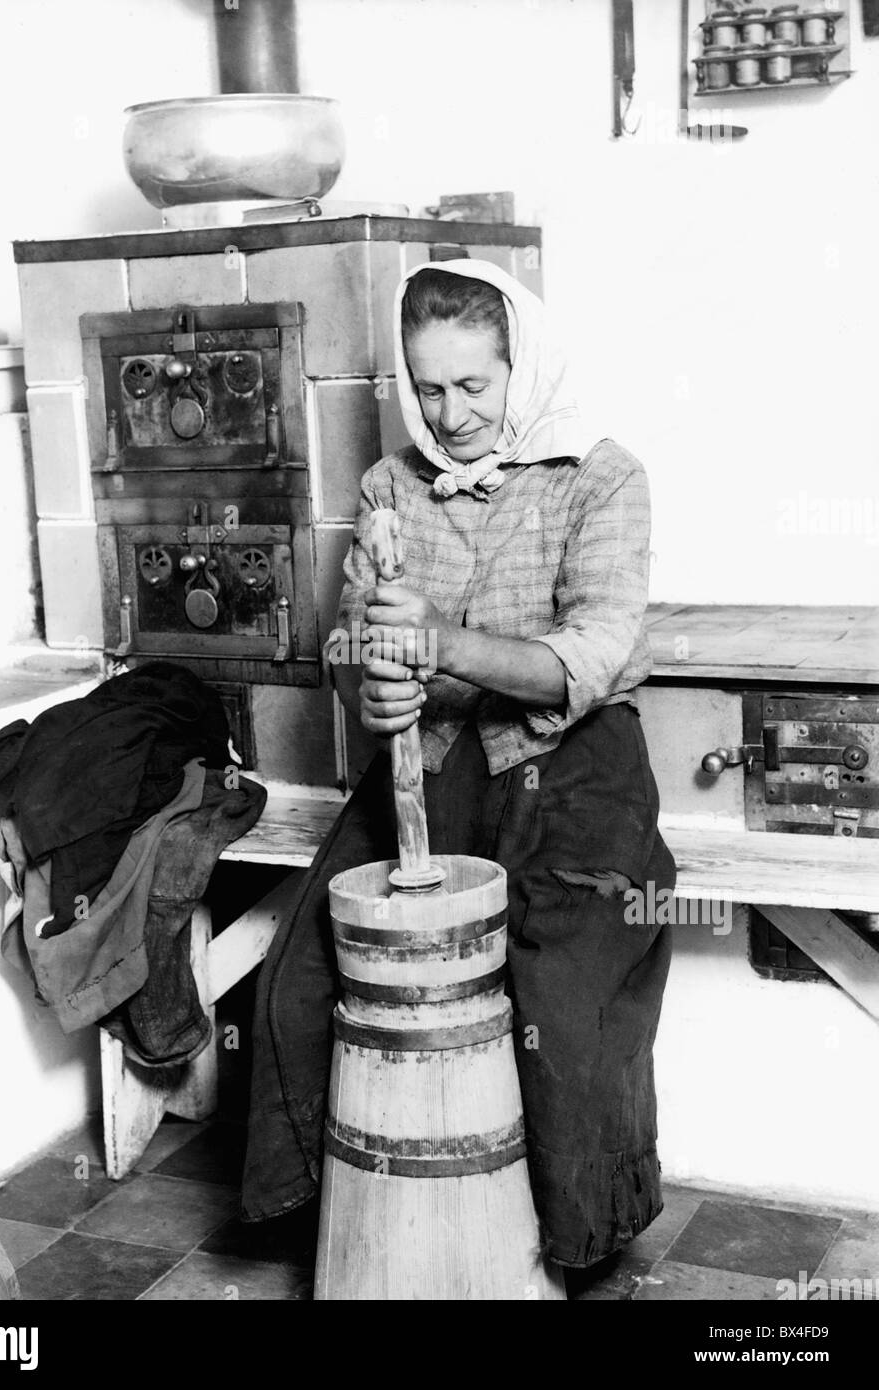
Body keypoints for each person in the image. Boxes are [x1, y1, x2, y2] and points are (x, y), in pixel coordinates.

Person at [241, 259, 676, 1278]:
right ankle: (361, 1214)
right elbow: (351, 644)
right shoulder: (390, 485)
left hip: (572, 767)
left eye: (475, 386)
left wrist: (437, 644)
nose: (453, 413)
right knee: (301, 978)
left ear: (518, 369)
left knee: (560, 1006)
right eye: (428, 389)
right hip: (432, 761)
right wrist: (371, 687)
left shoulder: (600, 475)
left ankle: (562, 1241)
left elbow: (589, 654)